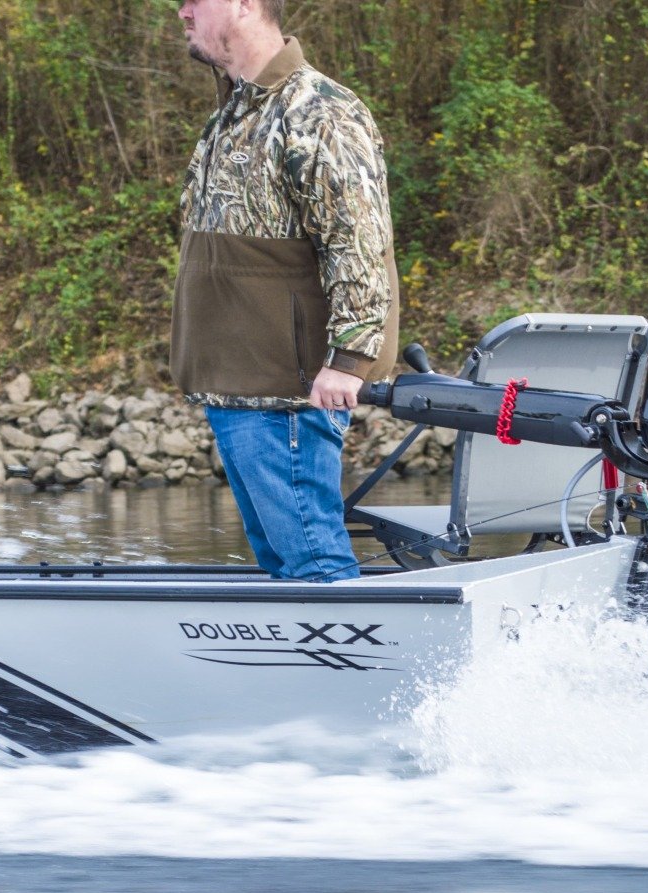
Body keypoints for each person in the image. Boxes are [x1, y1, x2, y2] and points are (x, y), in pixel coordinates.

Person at [171, 0, 400, 581]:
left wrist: (349, 359)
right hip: (236, 387)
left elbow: (360, 243)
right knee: (283, 566)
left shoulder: (319, 111)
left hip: (285, 390)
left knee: (314, 564)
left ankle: (354, 669)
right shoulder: (234, 113)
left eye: (193, 0)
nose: (182, 13)